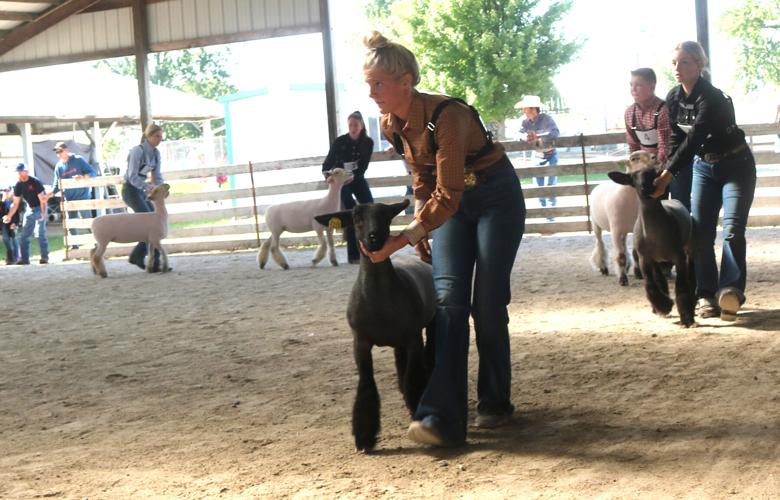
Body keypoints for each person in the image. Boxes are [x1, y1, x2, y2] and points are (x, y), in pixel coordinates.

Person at [361, 31, 526, 447]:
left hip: (494, 197)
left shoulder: (446, 116)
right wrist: (421, 224)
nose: (372, 92)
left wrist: (405, 237)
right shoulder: (390, 124)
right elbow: (421, 175)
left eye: (379, 83)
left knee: (486, 303)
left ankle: (495, 401)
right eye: (368, 83)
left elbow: (448, 192)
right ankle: (440, 414)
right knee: (448, 301)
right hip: (448, 203)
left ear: (406, 80)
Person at [652, 41, 756, 321]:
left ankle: (731, 291)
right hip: (703, 168)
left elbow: (695, 136)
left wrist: (667, 175)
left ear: (699, 65)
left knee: (733, 229)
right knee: (700, 232)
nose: (677, 67)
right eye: (675, 62)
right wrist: (666, 171)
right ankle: (706, 295)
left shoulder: (711, 98)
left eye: (685, 62)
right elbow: (676, 139)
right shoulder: (673, 98)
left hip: (736, 165)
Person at [322, 110, 375, 263]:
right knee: (351, 212)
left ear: (361, 125)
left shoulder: (368, 142)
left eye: (356, 125)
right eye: (350, 125)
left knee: (369, 207)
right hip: (340, 182)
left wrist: (352, 177)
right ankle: (353, 255)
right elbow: (327, 164)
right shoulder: (340, 142)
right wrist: (328, 176)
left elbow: (363, 167)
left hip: (357, 179)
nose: (353, 128)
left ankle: (373, 247)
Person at [122, 123, 168, 272]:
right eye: (156, 136)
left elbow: (157, 175)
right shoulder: (138, 151)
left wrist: (161, 187)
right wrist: (150, 188)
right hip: (131, 190)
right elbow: (132, 176)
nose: (159, 139)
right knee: (150, 225)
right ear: (148, 136)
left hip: (142, 191)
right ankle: (143, 258)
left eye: (161, 137)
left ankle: (151, 261)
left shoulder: (156, 154)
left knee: (154, 224)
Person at [48, 141, 98, 249]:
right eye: (57, 152)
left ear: (66, 150)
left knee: (87, 220)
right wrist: (50, 193)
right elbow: (57, 184)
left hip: (83, 196)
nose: (59, 153)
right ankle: (74, 246)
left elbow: (93, 172)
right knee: (71, 222)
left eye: (60, 151)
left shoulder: (78, 160)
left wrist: (83, 177)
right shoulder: (58, 166)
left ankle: (97, 243)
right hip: (69, 199)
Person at [516, 95, 559, 209]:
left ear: (533, 109)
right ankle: (543, 209)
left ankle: (551, 211)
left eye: (526, 108)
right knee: (538, 184)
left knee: (551, 183)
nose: (523, 111)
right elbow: (518, 134)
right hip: (538, 155)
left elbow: (555, 132)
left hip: (551, 154)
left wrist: (538, 136)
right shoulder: (524, 122)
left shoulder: (547, 119)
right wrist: (525, 137)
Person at [2, 163, 49, 265]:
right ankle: (25, 259)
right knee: (24, 235)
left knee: (40, 233)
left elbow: (43, 200)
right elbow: (15, 204)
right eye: (17, 172)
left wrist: (43, 214)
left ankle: (44, 258)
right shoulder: (18, 185)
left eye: (20, 171)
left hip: (40, 207)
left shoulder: (35, 182)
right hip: (30, 209)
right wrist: (9, 216)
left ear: (26, 171)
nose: (18, 174)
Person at [1, 186, 21, 264]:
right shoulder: (2, 203)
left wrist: (15, 223)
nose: (5, 192)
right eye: (4, 191)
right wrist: (2, 201)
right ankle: (10, 258)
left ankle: (16, 257)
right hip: (4, 224)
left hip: (13, 223)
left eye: (7, 191)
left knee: (14, 239)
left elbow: (17, 215)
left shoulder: (14, 202)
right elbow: (1, 214)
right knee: (6, 239)